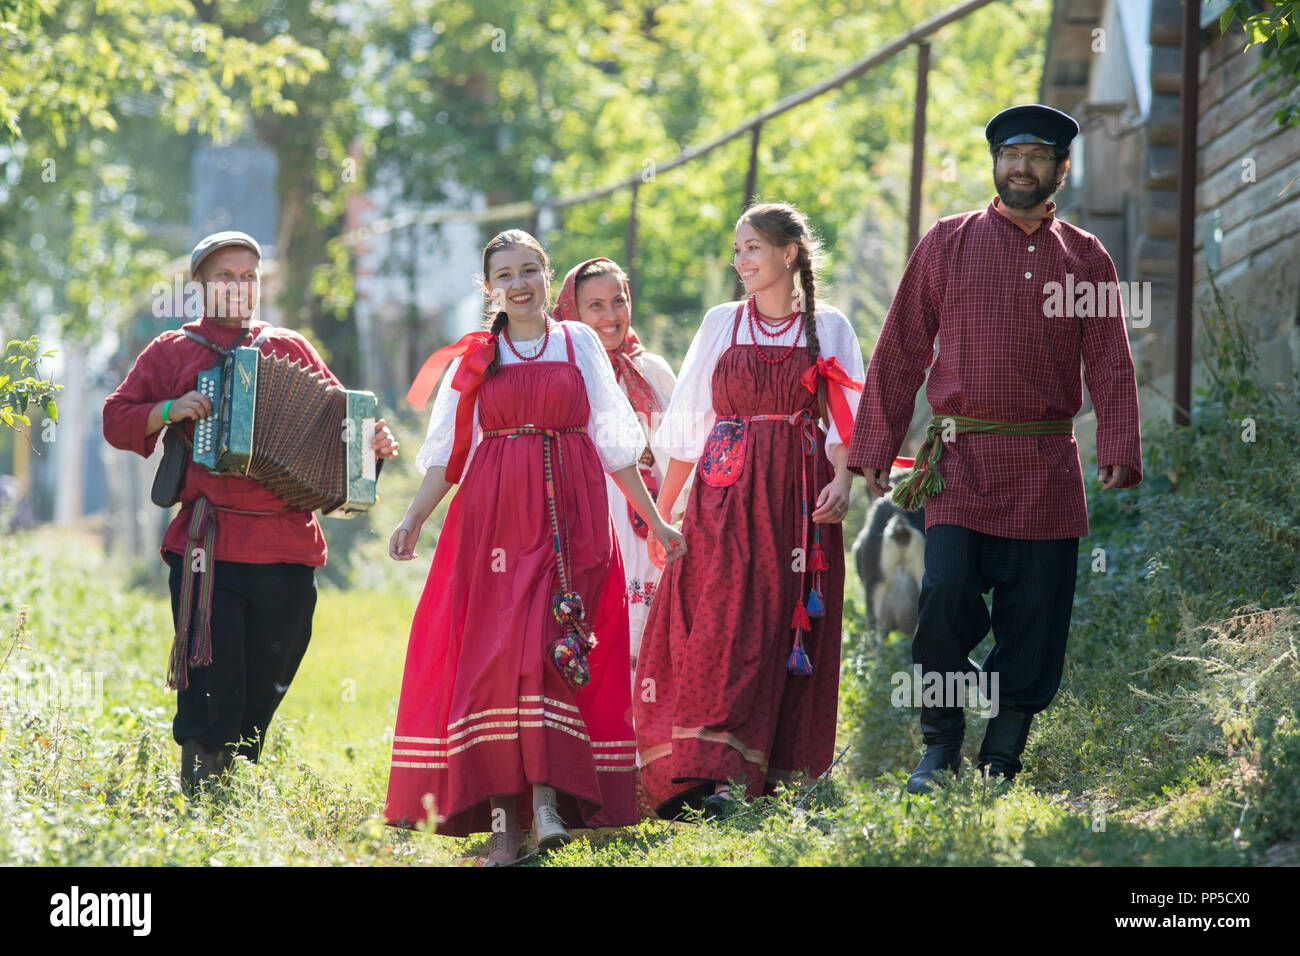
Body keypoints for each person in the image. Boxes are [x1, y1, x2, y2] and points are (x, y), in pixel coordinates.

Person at [846, 104, 1143, 794]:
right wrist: (873, 444)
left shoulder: (1085, 257)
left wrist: (1121, 443)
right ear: (993, 163)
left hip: (1045, 466)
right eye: (1010, 153)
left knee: (1034, 617)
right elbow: (899, 351)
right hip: (959, 462)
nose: (1021, 166)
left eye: (1038, 155)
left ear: (1060, 170)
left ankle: (1002, 757)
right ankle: (939, 747)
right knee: (944, 594)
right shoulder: (947, 242)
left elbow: (1109, 361)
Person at [384, 229, 686, 866]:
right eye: (504, 274)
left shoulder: (577, 342)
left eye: (529, 270)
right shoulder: (477, 354)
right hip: (492, 520)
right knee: (496, 659)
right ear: (489, 286)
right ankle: (504, 822)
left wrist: (655, 522)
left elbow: (614, 440)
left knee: (552, 650)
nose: (518, 283)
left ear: (548, 277)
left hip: (570, 517)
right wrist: (412, 520)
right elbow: (447, 456)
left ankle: (547, 805)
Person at [102, 229, 398, 796]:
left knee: (270, 671)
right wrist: (168, 408)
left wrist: (371, 445)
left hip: (288, 545)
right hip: (208, 544)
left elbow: (339, 424)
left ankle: (230, 776)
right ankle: (202, 790)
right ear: (200, 286)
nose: (239, 287)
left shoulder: (289, 347)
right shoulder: (172, 351)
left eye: (249, 276)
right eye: (225, 277)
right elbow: (117, 418)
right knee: (212, 672)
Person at [633, 202, 865, 818]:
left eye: (752, 248)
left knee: (775, 630)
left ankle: (761, 779)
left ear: (789, 253)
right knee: (717, 624)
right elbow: (687, 424)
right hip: (724, 489)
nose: (741, 262)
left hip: (799, 497)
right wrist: (662, 514)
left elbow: (845, 418)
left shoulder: (831, 326)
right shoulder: (721, 322)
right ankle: (704, 777)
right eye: (737, 251)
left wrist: (843, 481)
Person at [551, 257, 689, 683]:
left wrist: (677, 515)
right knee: (602, 635)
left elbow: (681, 448)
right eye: (595, 306)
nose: (611, 316)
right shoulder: (565, 375)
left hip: (655, 522)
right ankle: (604, 745)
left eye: (619, 301)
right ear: (573, 314)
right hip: (596, 520)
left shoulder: (653, 371)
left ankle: (651, 746)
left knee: (655, 642)